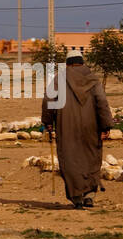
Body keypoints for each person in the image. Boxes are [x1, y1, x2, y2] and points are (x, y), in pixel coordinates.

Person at [41, 49, 115, 209]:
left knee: (70, 160)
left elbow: (48, 99)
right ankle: (89, 195)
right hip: (91, 126)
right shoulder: (93, 79)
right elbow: (101, 102)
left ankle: (77, 197)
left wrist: (48, 122)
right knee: (91, 158)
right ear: (82, 62)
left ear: (67, 64)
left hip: (66, 126)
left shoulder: (58, 79)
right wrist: (106, 125)